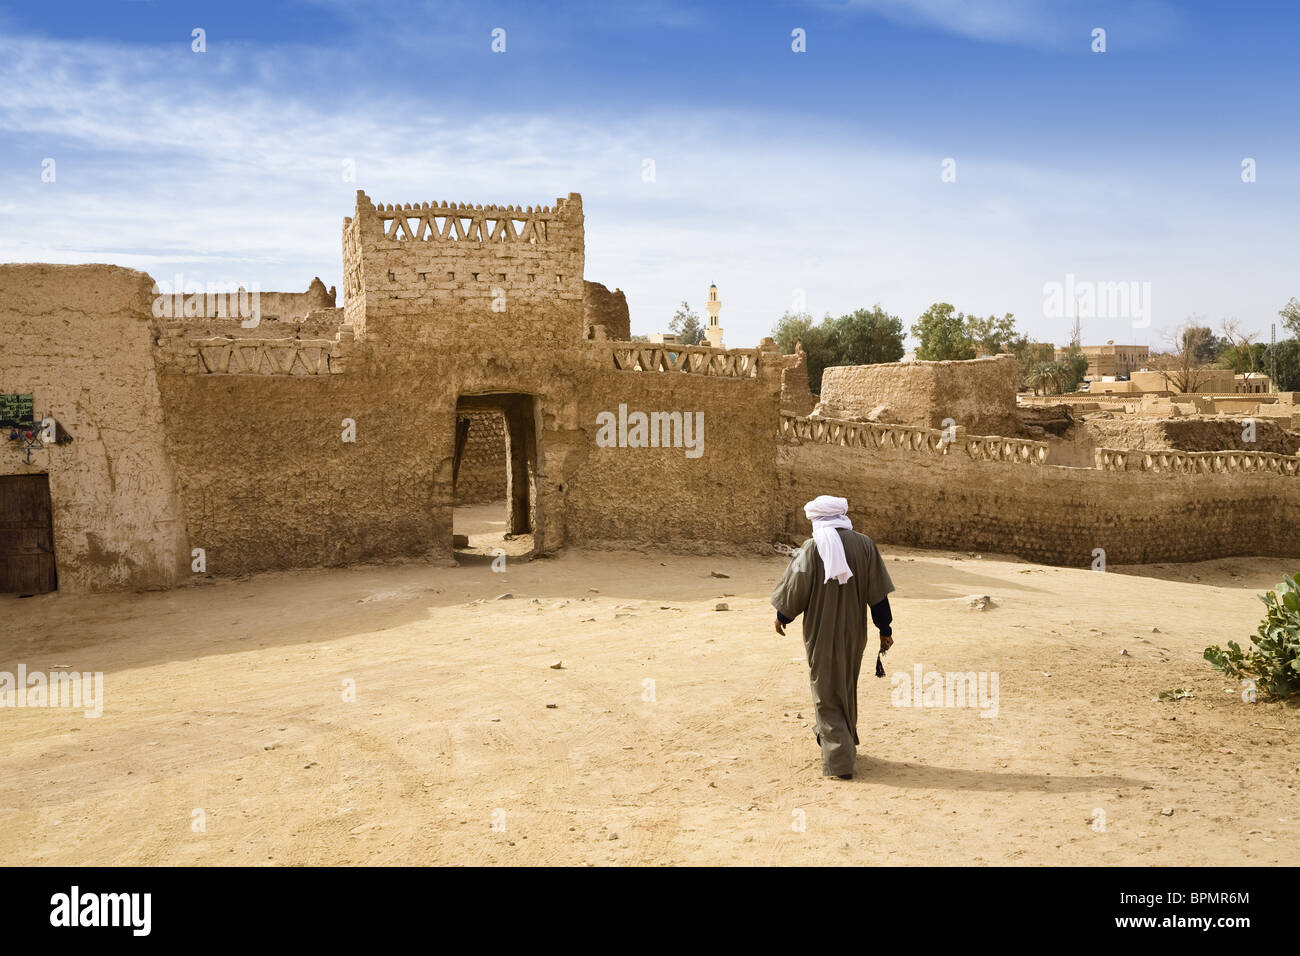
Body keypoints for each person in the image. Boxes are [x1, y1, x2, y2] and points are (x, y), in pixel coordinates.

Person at [770, 495, 895, 780]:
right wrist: (885, 629)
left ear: (818, 519)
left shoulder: (811, 548)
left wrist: (783, 616)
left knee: (825, 691)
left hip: (822, 632)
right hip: (854, 632)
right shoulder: (865, 545)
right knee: (845, 686)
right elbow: (878, 594)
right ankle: (838, 739)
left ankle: (839, 762)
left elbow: (795, 589)